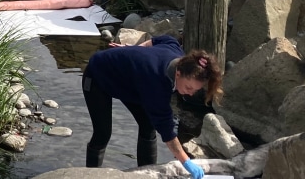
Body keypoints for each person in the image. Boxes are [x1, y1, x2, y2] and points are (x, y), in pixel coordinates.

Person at [81, 35, 222, 179]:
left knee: (148, 126)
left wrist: (136, 50)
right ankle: (90, 175)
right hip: (97, 76)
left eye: (195, 90)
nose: (191, 93)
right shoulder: (157, 84)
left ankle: (145, 175)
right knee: (103, 133)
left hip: (132, 83)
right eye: (188, 87)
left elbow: (167, 39)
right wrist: (186, 162)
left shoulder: (179, 56)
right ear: (178, 74)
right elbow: (167, 130)